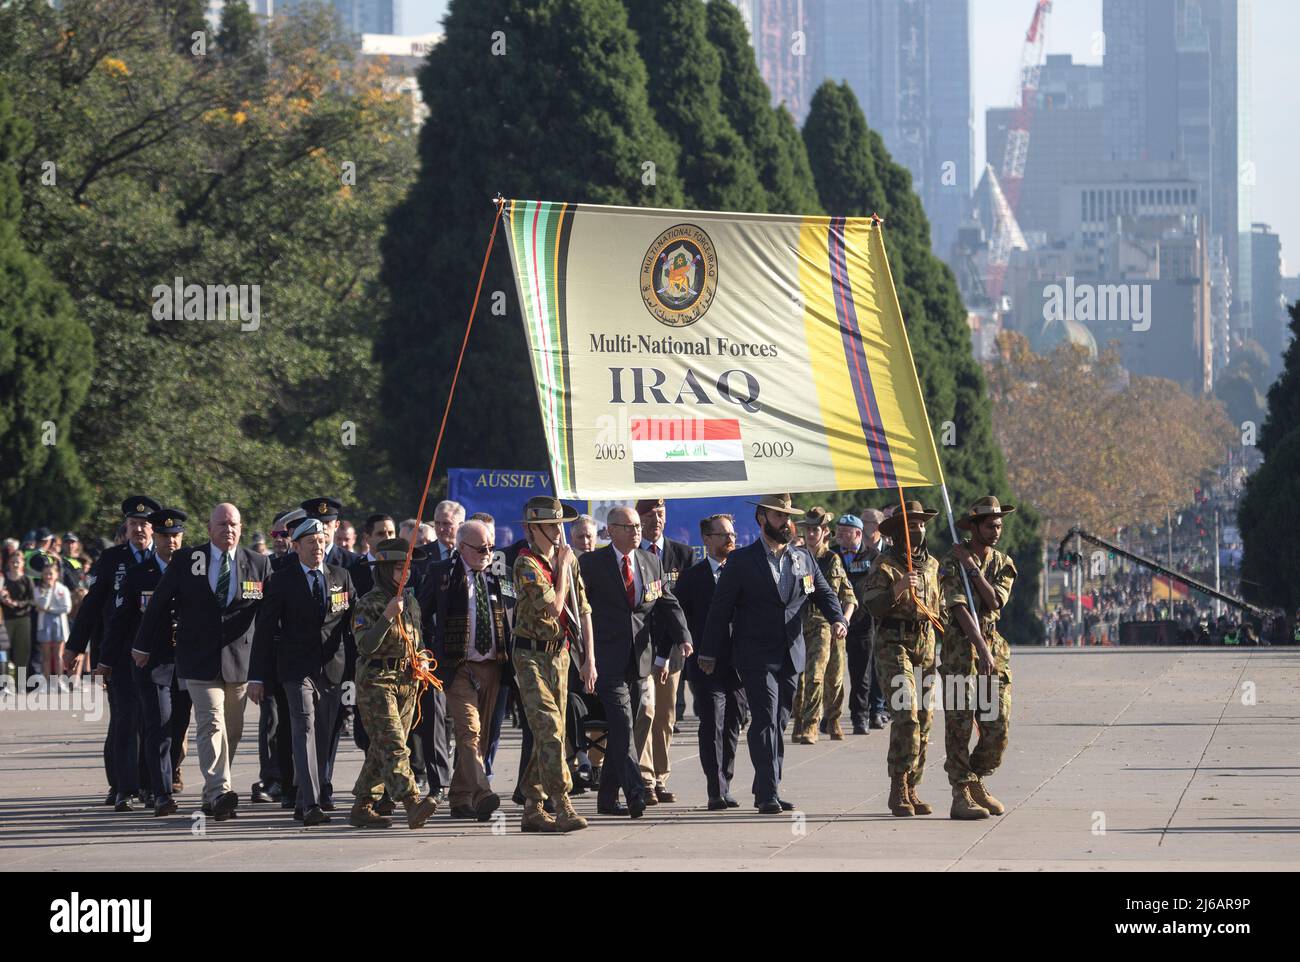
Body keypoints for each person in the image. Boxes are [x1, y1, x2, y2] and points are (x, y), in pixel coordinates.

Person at [700, 495, 846, 813]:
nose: (787, 522)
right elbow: (720, 609)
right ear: (762, 519)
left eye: (789, 516)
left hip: (791, 653)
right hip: (754, 654)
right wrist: (709, 651)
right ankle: (768, 793)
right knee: (765, 718)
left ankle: (768, 784)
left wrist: (838, 618)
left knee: (780, 720)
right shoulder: (741, 561)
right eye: (779, 516)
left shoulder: (802, 558)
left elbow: (823, 592)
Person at [136, 503, 272, 821]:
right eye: (222, 524)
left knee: (233, 730)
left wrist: (265, 668)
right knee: (211, 722)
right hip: (197, 659)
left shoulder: (258, 564)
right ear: (209, 528)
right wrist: (141, 644)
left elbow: (269, 617)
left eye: (234, 524)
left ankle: (212, 793)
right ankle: (220, 791)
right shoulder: (188, 560)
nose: (229, 529)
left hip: (240, 660)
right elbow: (158, 603)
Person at [580, 505, 688, 818]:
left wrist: (684, 636)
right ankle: (636, 792)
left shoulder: (650, 561)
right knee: (623, 724)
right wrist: (584, 657)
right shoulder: (592, 563)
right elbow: (579, 610)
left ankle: (606, 798)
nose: (636, 531)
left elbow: (668, 603)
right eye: (628, 526)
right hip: (606, 660)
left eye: (638, 526)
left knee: (625, 729)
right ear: (610, 530)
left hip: (640, 661)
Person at [249, 517, 356, 826]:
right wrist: (257, 676)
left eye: (321, 541)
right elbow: (265, 630)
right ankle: (309, 802)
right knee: (303, 727)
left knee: (323, 733)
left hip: (332, 668)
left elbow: (355, 621)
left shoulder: (341, 577)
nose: (318, 547)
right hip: (295, 669)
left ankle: (311, 793)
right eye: (310, 543)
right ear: (295, 546)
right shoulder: (282, 580)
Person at [64, 495, 161, 805]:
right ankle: (124, 786)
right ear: (126, 528)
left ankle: (150, 785)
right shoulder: (112, 560)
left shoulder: (166, 559)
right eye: (133, 524)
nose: (139, 530)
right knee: (125, 718)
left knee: (153, 721)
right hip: (118, 653)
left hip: (156, 654)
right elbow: (92, 606)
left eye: (144, 525)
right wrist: (74, 647)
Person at [417, 519, 511, 821]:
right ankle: (482, 791)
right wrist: (425, 651)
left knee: (482, 737)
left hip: (494, 665)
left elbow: (512, 613)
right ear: (461, 547)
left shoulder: (500, 575)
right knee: (468, 730)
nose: (488, 553)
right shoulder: (441, 573)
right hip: (458, 666)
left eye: (491, 547)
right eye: (481, 548)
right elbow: (419, 614)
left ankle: (459, 798)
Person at [511, 496, 593, 833]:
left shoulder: (567, 560)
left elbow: (583, 608)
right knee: (547, 727)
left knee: (552, 731)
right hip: (529, 654)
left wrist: (590, 658)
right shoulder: (526, 564)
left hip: (559, 653)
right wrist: (562, 567)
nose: (559, 532)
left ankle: (532, 804)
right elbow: (554, 606)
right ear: (533, 528)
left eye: (561, 525)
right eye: (552, 526)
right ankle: (562, 803)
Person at [347, 537, 438, 830]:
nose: (406, 573)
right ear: (385, 570)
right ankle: (412, 802)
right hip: (377, 681)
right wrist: (387, 616)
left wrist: (423, 657)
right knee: (395, 745)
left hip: (407, 680)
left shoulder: (410, 601)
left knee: (382, 746)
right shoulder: (369, 603)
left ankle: (362, 805)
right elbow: (365, 646)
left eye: (409, 567)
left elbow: (418, 639)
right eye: (400, 568)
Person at [861, 500, 943, 817]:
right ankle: (898, 784)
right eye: (912, 525)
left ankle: (913, 785)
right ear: (897, 532)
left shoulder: (933, 566)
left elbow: (941, 607)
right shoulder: (884, 564)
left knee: (924, 718)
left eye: (921, 524)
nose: (919, 529)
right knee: (906, 713)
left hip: (925, 644)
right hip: (893, 643)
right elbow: (872, 605)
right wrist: (896, 588)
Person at [939, 497, 1017, 820]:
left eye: (999, 525)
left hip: (993, 650)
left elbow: (995, 600)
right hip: (961, 650)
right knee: (959, 724)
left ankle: (975, 780)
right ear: (973, 528)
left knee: (997, 728)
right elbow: (958, 608)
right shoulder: (950, 561)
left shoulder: (1002, 562)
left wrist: (972, 567)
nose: (996, 531)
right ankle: (961, 793)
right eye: (990, 526)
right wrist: (978, 648)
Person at [117, 508, 192, 815]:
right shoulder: (138, 574)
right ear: (155, 537)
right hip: (151, 661)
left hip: (186, 661)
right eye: (164, 536)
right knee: (158, 724)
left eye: (175, 536)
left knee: (178, 726)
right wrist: (108, 660)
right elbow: (122, 620)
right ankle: (161, 793)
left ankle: (158, 779)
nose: (170, 542)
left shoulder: (193, 570)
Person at [677, 513, 746, 810]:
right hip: (706, 664)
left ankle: (726, 782)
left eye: (732, 534)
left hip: (740, 664)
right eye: (723, 535)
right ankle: (715, 788)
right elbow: (679, 616)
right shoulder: (693, 577)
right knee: (712, 724)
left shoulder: (745, 572)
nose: (730, 539)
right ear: (706, 540)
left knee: (733, 722)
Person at [634, 497, 693, 803]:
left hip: (671, 654)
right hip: (641, 648)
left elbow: (682, 606)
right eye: (650, 514)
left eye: (661, 514)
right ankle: (645, 779)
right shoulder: (633, 554)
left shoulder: (682, 554)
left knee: (665, 718)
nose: (656, 520)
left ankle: (660, 777)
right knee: (646, 711)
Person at [791, 507, 856, 744]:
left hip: (825, 623)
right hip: (797, 623)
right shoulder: (795, 556)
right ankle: (803, 722)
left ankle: (829, 719)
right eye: (807, 529)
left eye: (815, 529)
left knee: (831, 678)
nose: (810, 534)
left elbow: (848, 596)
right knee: (802, 677)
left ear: (825, 532)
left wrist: (843, 621)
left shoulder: (832, 560)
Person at [835, 510, 888, 736]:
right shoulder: (831, 555)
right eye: (839, 532)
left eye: (846, 533)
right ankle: (829, 716)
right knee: (831, 674)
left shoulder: (873, 556)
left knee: (861, 674)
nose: (841, 537)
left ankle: (860, 717)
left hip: (863, 622)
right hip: (834, 620)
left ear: (858, 534)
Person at [33, 557, 73, 685]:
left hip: (59, 625)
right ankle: (46, 682)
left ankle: (60, 681)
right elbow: (41, 605)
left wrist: (50, 609)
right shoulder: (38, 589)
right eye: (45, 574)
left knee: (58, 655)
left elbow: (66, 608)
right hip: (44, 624)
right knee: (46, 656)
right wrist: (48, 591)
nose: (48, 576)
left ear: (56, 574)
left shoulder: (63, 589)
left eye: (51, 573)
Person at [1, 551, 34, 686]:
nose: (15, 564)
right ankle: (5, 685)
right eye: (12, 561)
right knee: (4, 653)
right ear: (8, 563)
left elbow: (32, 601)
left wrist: (18, 604)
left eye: (18, 561)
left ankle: (20, 684)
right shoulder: (3, 579)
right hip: (5, 620)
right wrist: (3, 599)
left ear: (22, 563)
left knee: (22, 652)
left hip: (23, 619)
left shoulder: (27, 579)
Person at [300, 497, 358, 570]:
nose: (323, 526)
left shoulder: (352, 562)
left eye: (327, 522)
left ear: (336, 525)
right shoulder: (294, 560)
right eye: (319, 522)